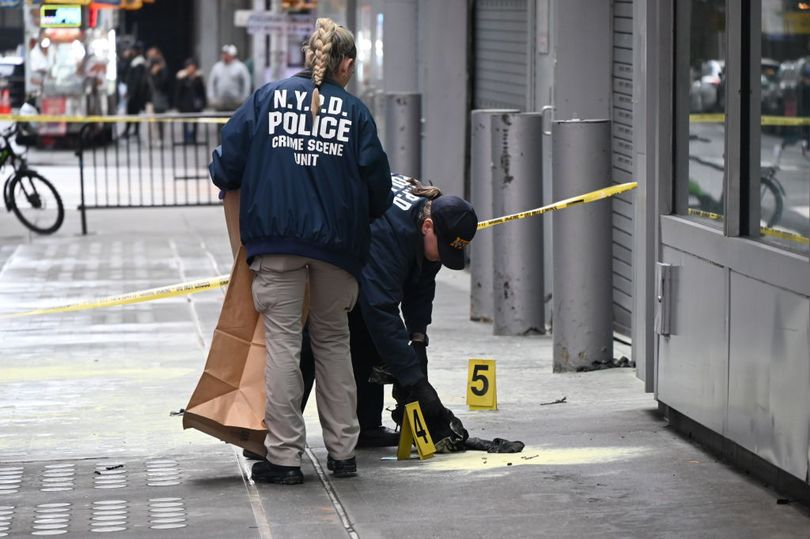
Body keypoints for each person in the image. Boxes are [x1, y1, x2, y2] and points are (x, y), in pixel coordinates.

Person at [209, 18, 392, 485]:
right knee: (334, 343)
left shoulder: (266, 99)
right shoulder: (355, 114)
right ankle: (344, 453)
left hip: (277, 247)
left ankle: (286, 457)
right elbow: (380, 193)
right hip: (338, 250)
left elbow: (225, 164)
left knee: (283, 345)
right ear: (345, 63)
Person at [300, 176, 478, 450]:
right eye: (441, 250)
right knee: (313, 341)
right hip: (318, 248)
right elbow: (381, 310)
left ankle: (366, 425)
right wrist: (415, 381)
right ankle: (268, 437)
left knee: (369, 336)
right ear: (427, 226)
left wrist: (418, 339)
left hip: (355, 255)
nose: (442, 258)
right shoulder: (390, 234)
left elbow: (421, 286)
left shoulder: (429, 225)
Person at [207, 44, 251, 112]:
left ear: (232, 55)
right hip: (220, 103)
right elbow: (211, 83)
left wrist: (244, 98)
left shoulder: (240, 67)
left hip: (236, 103)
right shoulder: (217, 67)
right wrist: (212, 98)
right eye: (224, 54)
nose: (225, 56)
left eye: (227, 54)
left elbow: (246, 83)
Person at [121, 42, 149, 139]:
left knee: (132, 112)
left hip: (135, 94)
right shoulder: (136, 62)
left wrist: (130, 93)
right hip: (136, 93)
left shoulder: (138, 63)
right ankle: (132, 131)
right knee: (134, 113)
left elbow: (136, 81)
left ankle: (130, 131)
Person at [175, 58, 206, 144]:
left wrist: (203, 104)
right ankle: (186, 139)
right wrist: (178, 105)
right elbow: (178, 92)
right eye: (189, 67)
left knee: (195, 123)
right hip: (185, 104)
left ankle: (194, 138)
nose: (191, 69)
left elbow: (202, 92)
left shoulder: (198, 78)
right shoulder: (182, 78)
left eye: (192, 67)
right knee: (185, 123)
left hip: (196, 105)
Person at [146, 47, 170, 144]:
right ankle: (152, 139)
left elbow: (161, 84)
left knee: (160, 120)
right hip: (150, 99)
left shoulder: (163, 69)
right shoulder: (148, 68)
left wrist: (156, 74)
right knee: (150, 121)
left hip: (160, 99)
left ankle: (160, 138)